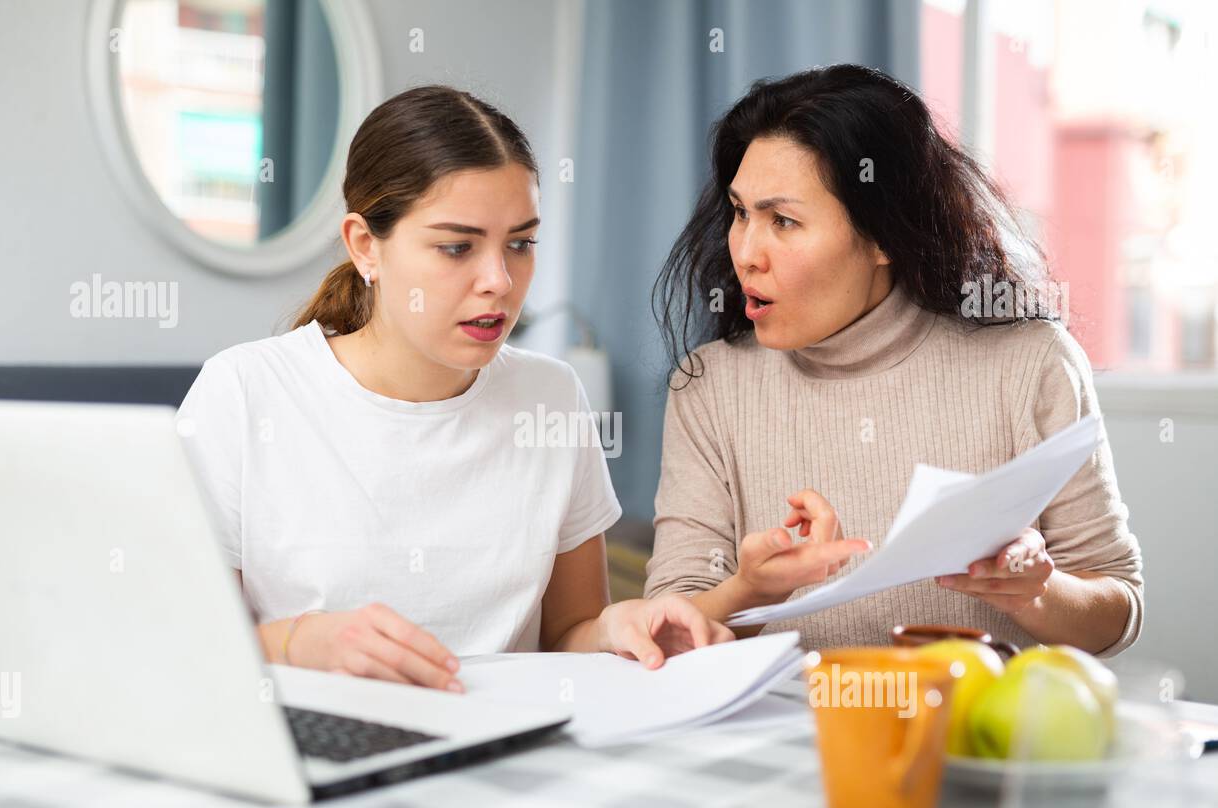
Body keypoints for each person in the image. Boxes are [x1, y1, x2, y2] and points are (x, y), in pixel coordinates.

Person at [177, 86, 734, 692]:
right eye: (456, 247)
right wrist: (300, 642)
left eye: (520, 244)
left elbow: (567, 633)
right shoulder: (243, 394)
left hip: (505, 752)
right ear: (365, 245)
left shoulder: (550, 398)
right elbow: (180, 639)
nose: (499, 281)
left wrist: (616, 626)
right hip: (320, 748)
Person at [646, 64, 1143, 656]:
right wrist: (752, 590)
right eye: (740, 213)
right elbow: (669, 630)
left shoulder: (1029, 365)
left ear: (883, 236)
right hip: (787, 738)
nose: (747, 253)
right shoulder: (709, 389)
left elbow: (1116, 609)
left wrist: (1035, 592)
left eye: (783, 221)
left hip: (975, 737)